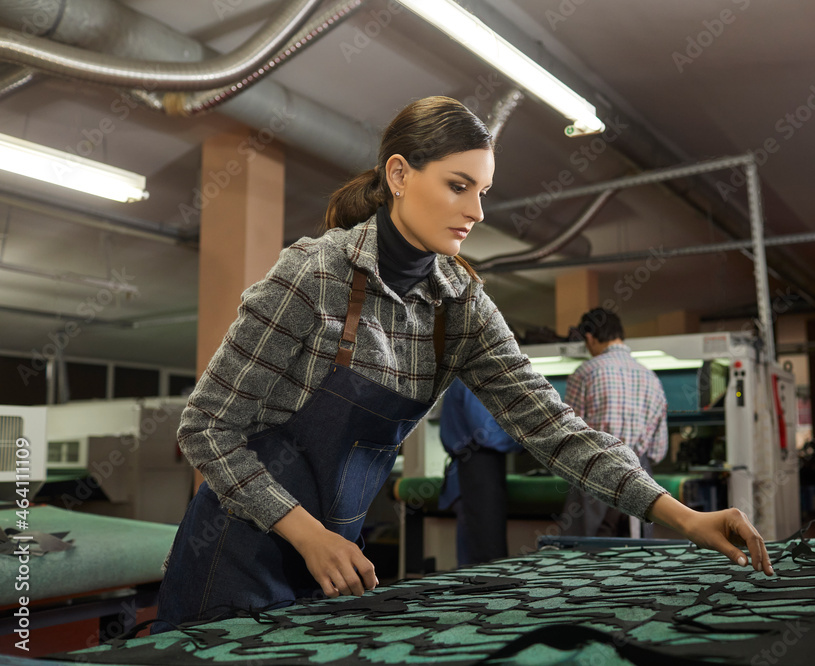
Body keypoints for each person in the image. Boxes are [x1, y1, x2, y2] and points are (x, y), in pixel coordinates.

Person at [153, 96, 774, 632]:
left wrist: (683, 517)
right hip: (235, 552)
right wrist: (306, 533)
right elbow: (206, 428)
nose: (476, 211)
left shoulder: (461, 306)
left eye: (483, 192)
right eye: (459, 185)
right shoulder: (315, 275)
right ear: (399, 174)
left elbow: (555, 429)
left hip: (336, 559)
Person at [561, 308, 669, 539]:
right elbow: (659, 451)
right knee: (638, 557)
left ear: (589, 337)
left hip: (595, 472)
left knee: (586, 558)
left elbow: (569, 436)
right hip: (640, 478)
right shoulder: (651, 378)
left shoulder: (585, 373)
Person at [438, 378, 523, 565]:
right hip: (475, 473)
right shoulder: (473, 379)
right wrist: (523, 441)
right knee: (485, 560)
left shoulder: (465, 378)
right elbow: (487, 434)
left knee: (478, 559)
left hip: (476, 472)